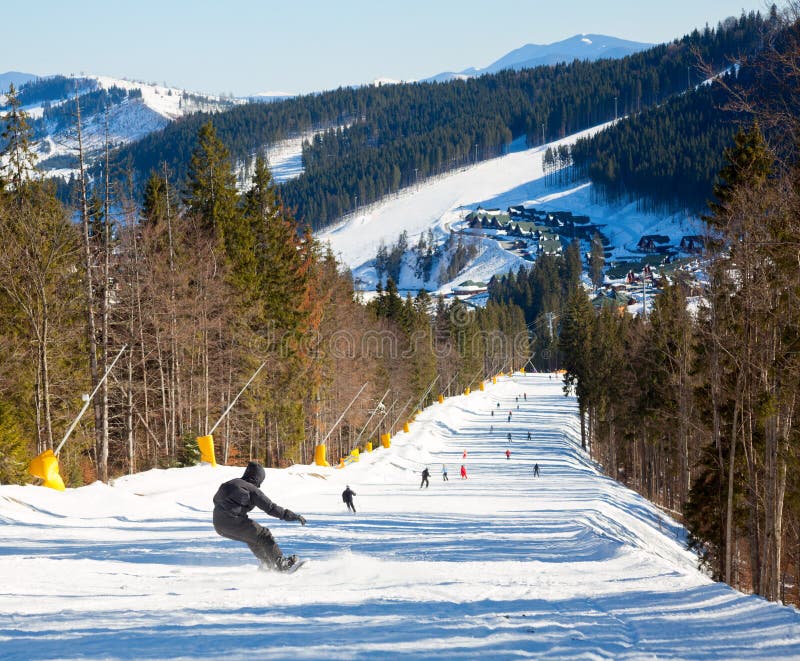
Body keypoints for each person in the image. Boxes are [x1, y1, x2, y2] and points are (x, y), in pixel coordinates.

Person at [213, 461, 306, 572]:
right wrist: (293, 516)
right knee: (264, 535)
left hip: (218, 525)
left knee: (253, 539)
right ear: (258, 478)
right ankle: (282, 564)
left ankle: (268, 565)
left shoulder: (229, 483)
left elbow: (216, 500)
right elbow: (271, 508)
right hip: (233, 521)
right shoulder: (251, 489)